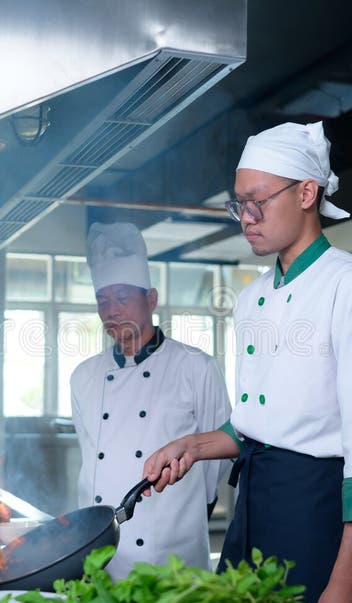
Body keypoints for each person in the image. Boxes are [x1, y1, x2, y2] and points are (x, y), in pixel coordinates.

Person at [143, 122, 352, 603]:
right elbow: (259, 424)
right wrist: (194, 445)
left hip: (316, 515)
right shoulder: (251, 298)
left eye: (257, 201)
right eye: (238, 204)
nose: (246, 218)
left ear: (308, 192)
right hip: (253, 508)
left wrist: (346, 582)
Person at [69, 221, 231, 580]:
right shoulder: (83, 377)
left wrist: (182, 517)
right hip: (101, 556)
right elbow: (89, 459)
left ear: (151, 300)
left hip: (171, 553)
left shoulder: (196, 367)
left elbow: (215, 464)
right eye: (102, 299)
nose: (111, 310)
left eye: (123, 297)